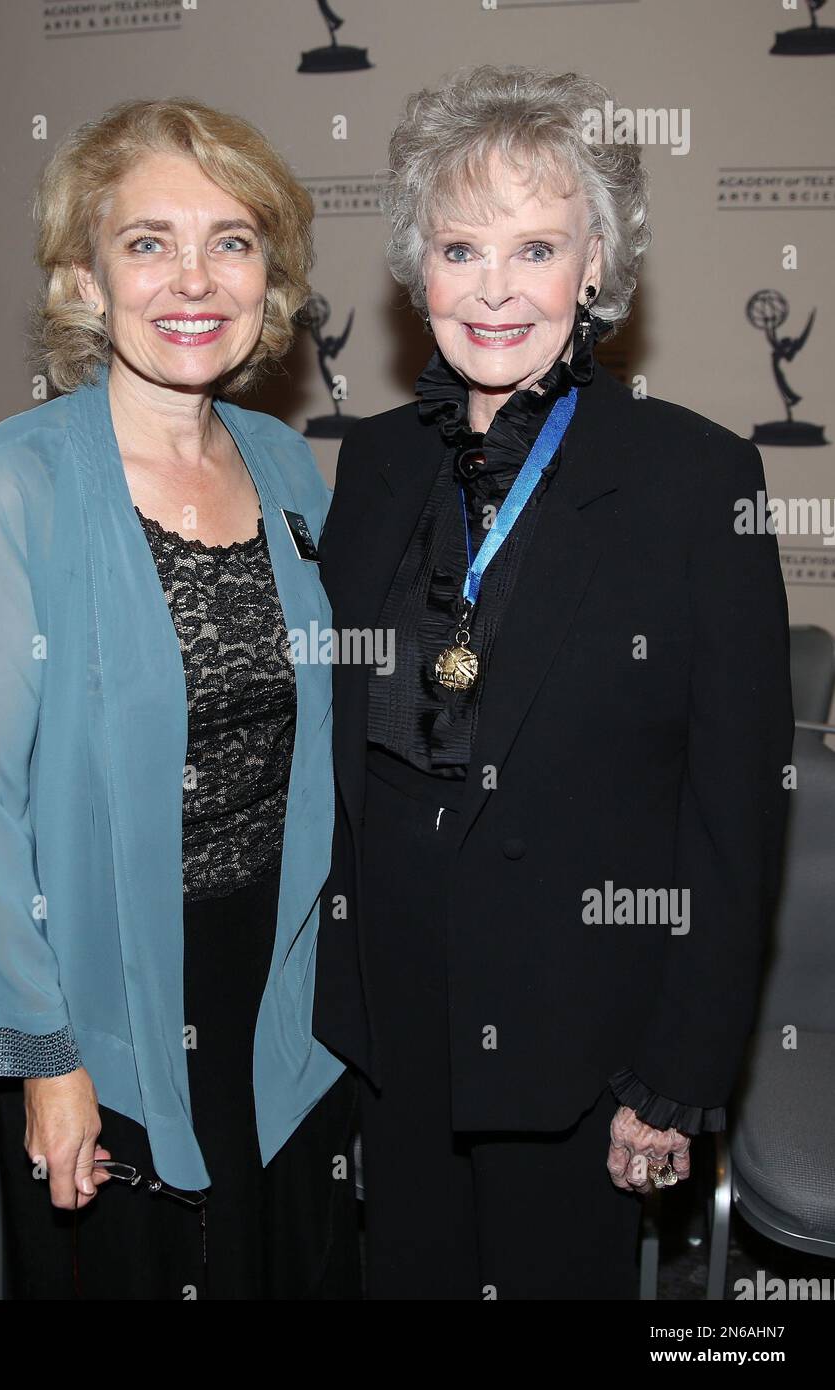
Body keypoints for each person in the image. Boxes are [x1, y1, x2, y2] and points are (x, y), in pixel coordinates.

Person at [312, 64, 794, 1300]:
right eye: (461, 247)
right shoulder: (368, 467)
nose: (493, 287)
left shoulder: (696, 480)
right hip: (396, 1012)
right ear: (419, 269)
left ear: (596, 267)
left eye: (535, 247)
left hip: (581, 1025)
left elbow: (733, 815)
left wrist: (678, 1074)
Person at [0, 97, 359, 1300]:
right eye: (147, 241)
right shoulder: (11, 485)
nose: (193, 277)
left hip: (277, 972)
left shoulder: (281, 461)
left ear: (270, 280)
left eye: (232, 239)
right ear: (84, 280)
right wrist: (45, 1061)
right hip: (99, 988)